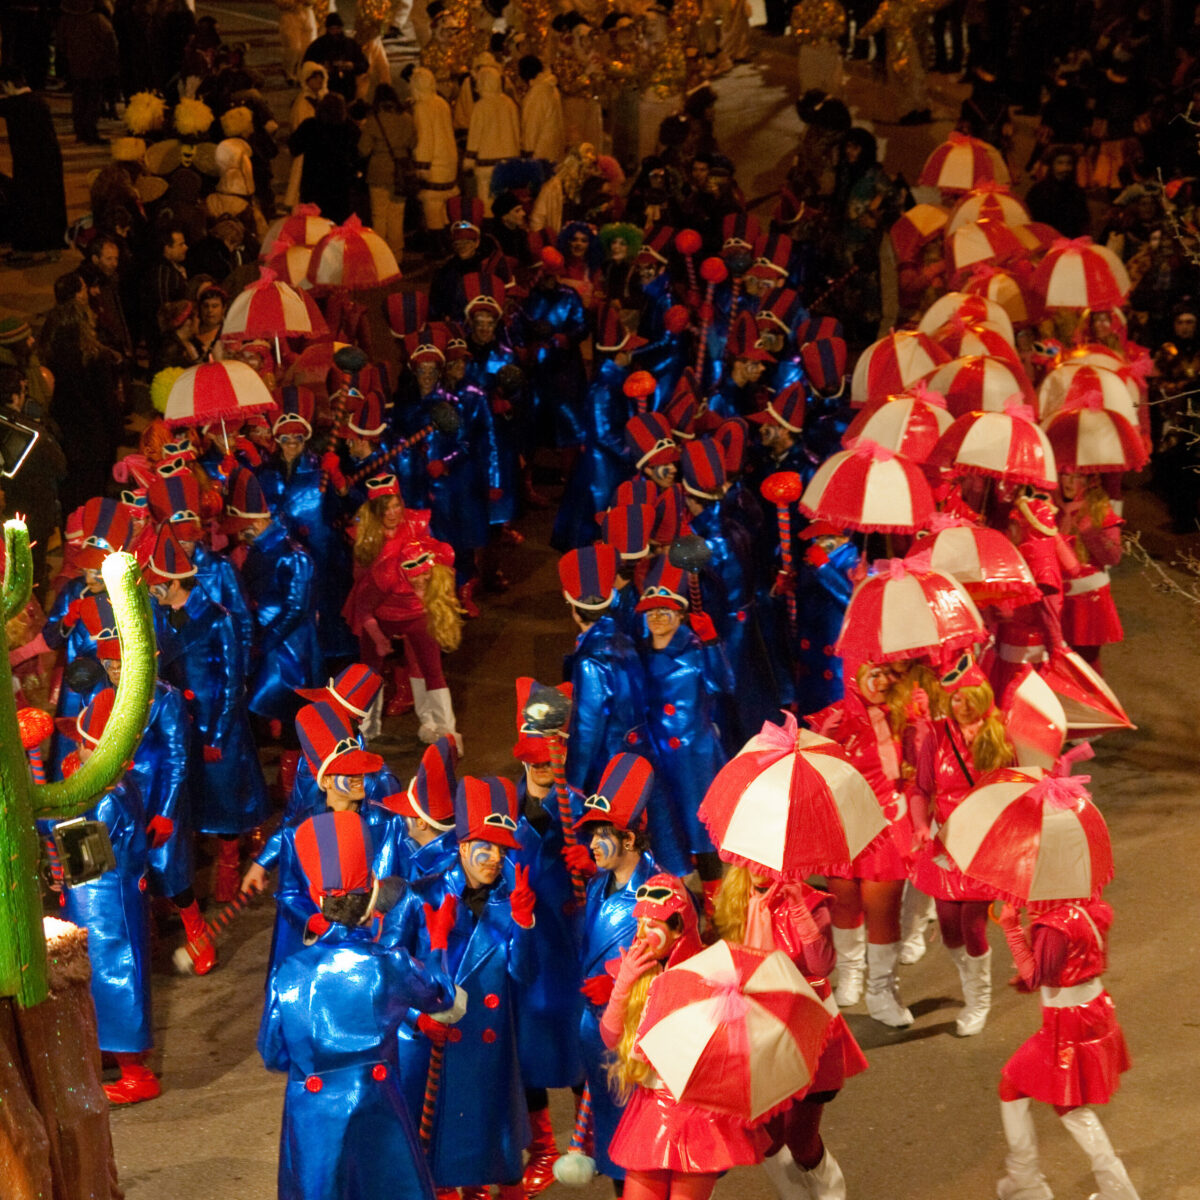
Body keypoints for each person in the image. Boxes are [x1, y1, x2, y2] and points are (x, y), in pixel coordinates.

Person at [258, 809, 463, 1200]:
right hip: (376, 1103)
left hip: (311, 1113)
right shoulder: (389, 963)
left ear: (319, 900)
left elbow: (273, 1054)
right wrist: (437, 944)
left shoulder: (287, 972)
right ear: (371, 893)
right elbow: (442, 996)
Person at [386, 775, 538, 1199]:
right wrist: (418, 1017)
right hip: (433, 1049)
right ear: (461, 845)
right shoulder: (419, 898)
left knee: (492, 1152)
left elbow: (523, 975)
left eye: (500, 848)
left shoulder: (514, 899)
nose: (493, 858)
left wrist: (524, 924)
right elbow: (387, 973)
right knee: (440, 1163)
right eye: (483, 847)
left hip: (490, 1050)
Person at [601, 873, 767, 1200]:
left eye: (655, 924)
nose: (643, 933)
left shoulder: (713, 974)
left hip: (699, 1112)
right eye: (641, 923)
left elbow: (732, 1054)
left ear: (679, 928)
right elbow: (609, 1038)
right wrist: (624, 986)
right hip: (652, 1107)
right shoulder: (635, 970)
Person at [147, 524, 269, 903]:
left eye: (155, 585)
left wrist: (217, 735)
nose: (150, 592)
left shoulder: (220, 619)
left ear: (172, 583)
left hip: (218, 723)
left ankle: (231, 866)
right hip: (182, 722)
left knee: (225, 802)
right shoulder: (161, 618)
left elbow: (232, 682)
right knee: (193, 798)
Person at [996, 885, 1139, 1200]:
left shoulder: (1053, 925)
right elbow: (1076, 959)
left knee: (1025, 1090)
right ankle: (1116, 1190)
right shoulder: (1094, 907)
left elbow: (1036, 978)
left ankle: (1027, 1183)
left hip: (1067, 1024)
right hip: (1094, 1010)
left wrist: (1011, 929)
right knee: (1056, 1100)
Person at [54, 688, 158, 1104]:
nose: (74, 750)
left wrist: (49, 814)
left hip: (106, 902)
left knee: (116, 977)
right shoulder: (115, 786)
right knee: (103, 978)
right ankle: (114, 1050)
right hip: (97, 898)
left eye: (80, 744)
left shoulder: (106, 799)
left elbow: (80, 849)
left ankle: (137, 1072)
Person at [808, 661, 918, 1028]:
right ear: (854, 675)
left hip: (887, 826)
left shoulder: (907, 713)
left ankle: (882, 992)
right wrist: (822, 742)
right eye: (875, 673)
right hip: (843, 825)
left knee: (883, 911)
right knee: (843, 904)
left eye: (890, 673)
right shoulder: (833, 719)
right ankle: (851, 977)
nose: (884, 681)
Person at [909, 653, 1014, 1037]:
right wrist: (921, 825)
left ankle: (978, 1000)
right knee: (950, 928)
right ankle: (969, 980)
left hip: (987, 846)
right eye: (956, 698)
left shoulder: (1003, 733)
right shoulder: (937, 735)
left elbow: (1020, 790)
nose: (962, 704)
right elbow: (920, 788)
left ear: (984, 697)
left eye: (970, 696)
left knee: (972, 925)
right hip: (946, 845)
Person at [572, 752, 659, 1190]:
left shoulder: (658, 896)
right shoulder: (594, 886)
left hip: (633, 1045)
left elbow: (677, 971)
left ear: (627, 839)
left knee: (638, 1157)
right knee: (613, 1151)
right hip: (598, 1036)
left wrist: (621, 987)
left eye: (600, 836)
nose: (591, 846)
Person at [340, 474, 463, 748]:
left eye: (396, 506)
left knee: (427, 667)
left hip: (415, 609)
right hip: (378, 613)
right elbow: (360, 579)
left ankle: (441, 730)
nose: (393, 514)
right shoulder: (366, 536)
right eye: (386, 509)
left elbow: (437, 566)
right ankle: (366, 730)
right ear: (376, 511)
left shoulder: (418, 526)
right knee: (369, 670)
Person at [559, 544, 653, 796]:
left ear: (574, 610)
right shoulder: (621, 637)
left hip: (609, 768)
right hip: (637, 753)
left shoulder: (591, 661)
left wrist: (575, 782)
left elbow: (588, 727)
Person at [0, 66, 67, 262]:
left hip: (28, 166)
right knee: (50, 204)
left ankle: (25, 249)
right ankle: (53, 246)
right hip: (50, 163)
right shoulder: (39, 101)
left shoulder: (15, 105)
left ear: (9, 85)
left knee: (26, 207)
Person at [288, 92, 364, 225]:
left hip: (313, 183)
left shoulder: (310, 126)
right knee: (338, 225)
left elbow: (294, 147)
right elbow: (358, 155)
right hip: (340, 185)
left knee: (314, 224)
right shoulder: (349, 128)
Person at [358, 84, 414, 260]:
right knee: (397, 215)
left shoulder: (373, 120)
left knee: (379, 215)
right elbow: (414, 143)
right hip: (401, 172)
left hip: (378, 172)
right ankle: (397, 254)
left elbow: (363, 149)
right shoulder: (406, 119)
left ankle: (381, 256)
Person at [301, 11, 369, 102]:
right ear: (328, 30)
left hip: (347, 88)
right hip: (326, 88)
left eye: (338, 28)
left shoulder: (351, 44)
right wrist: (321, 68)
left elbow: (364, 64)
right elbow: (306, 67)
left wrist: (352, 66)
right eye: (332, 29)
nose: (335, 32)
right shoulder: (318, 45)